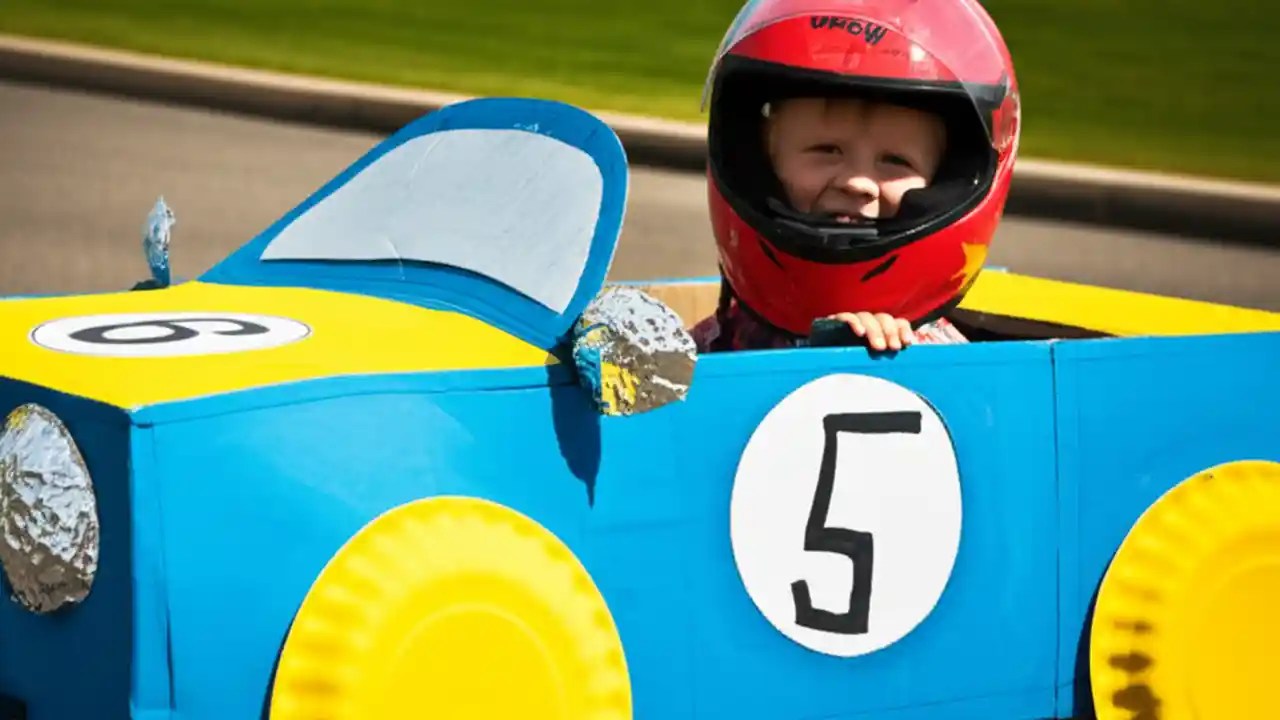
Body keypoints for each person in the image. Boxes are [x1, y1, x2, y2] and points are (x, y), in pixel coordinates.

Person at [691, 0, 1022, 353]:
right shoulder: (713, 346)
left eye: (895, 161)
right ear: (763, 161)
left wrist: (875, 363)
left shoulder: (945, 361)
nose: (857, 182)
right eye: (827, 150)